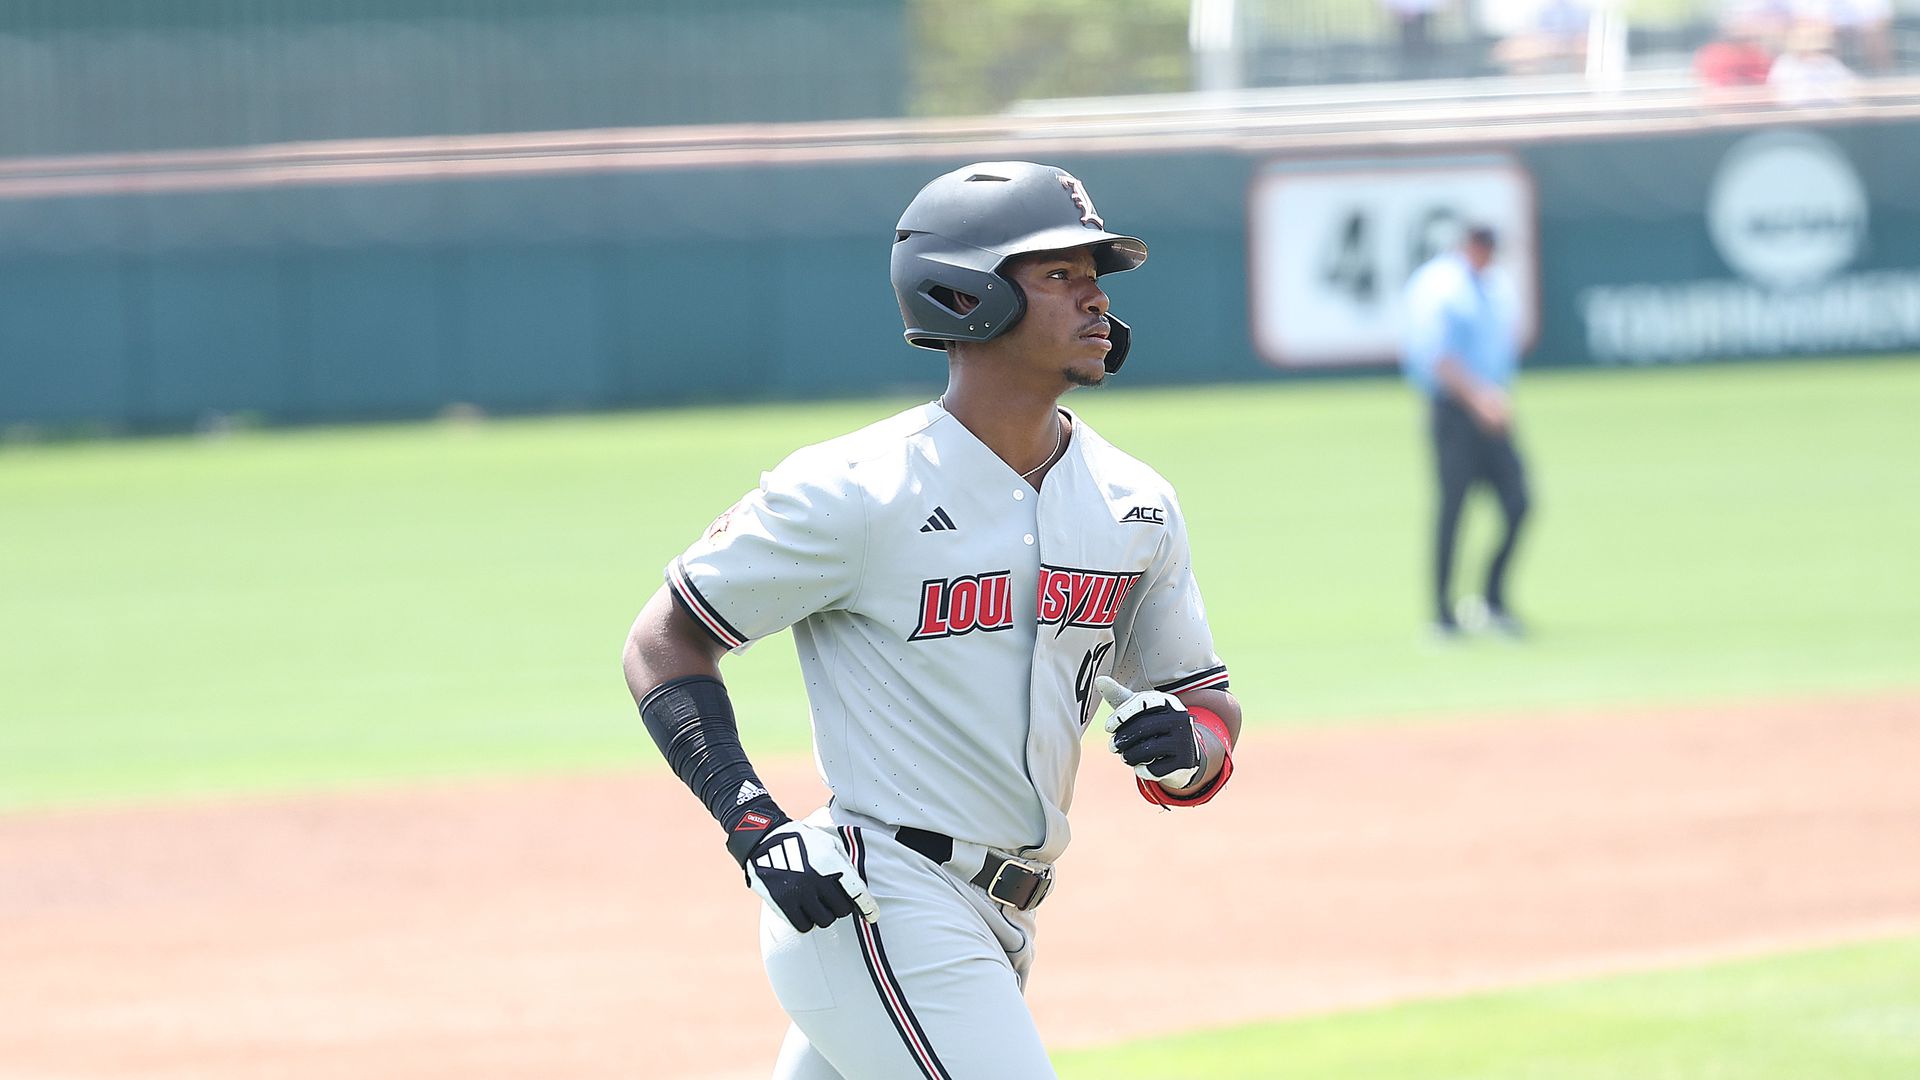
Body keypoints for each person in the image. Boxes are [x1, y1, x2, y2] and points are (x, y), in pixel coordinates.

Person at [622, 161, 1241, 1079]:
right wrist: (750, 819)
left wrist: (1188, 749)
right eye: (1060, 275)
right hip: (878, 904)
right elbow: (665, 639)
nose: (1096, 299)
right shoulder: (856, 491)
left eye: (1096, 275)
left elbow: (1205, 707)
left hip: (1005, 916)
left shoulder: (1133, 502)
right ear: (967, 295)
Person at [1400, 224, 1530, 639]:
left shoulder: (1493, 285)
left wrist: (1496, 398)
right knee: (1453, 509)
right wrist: (1479, 399)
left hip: (1492, 407)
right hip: (1456, 410)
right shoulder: (1441, 287)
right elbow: (1436, 357)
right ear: (1470, 247)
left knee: (1519, 502)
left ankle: (1491, 599)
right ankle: (1442, 613)